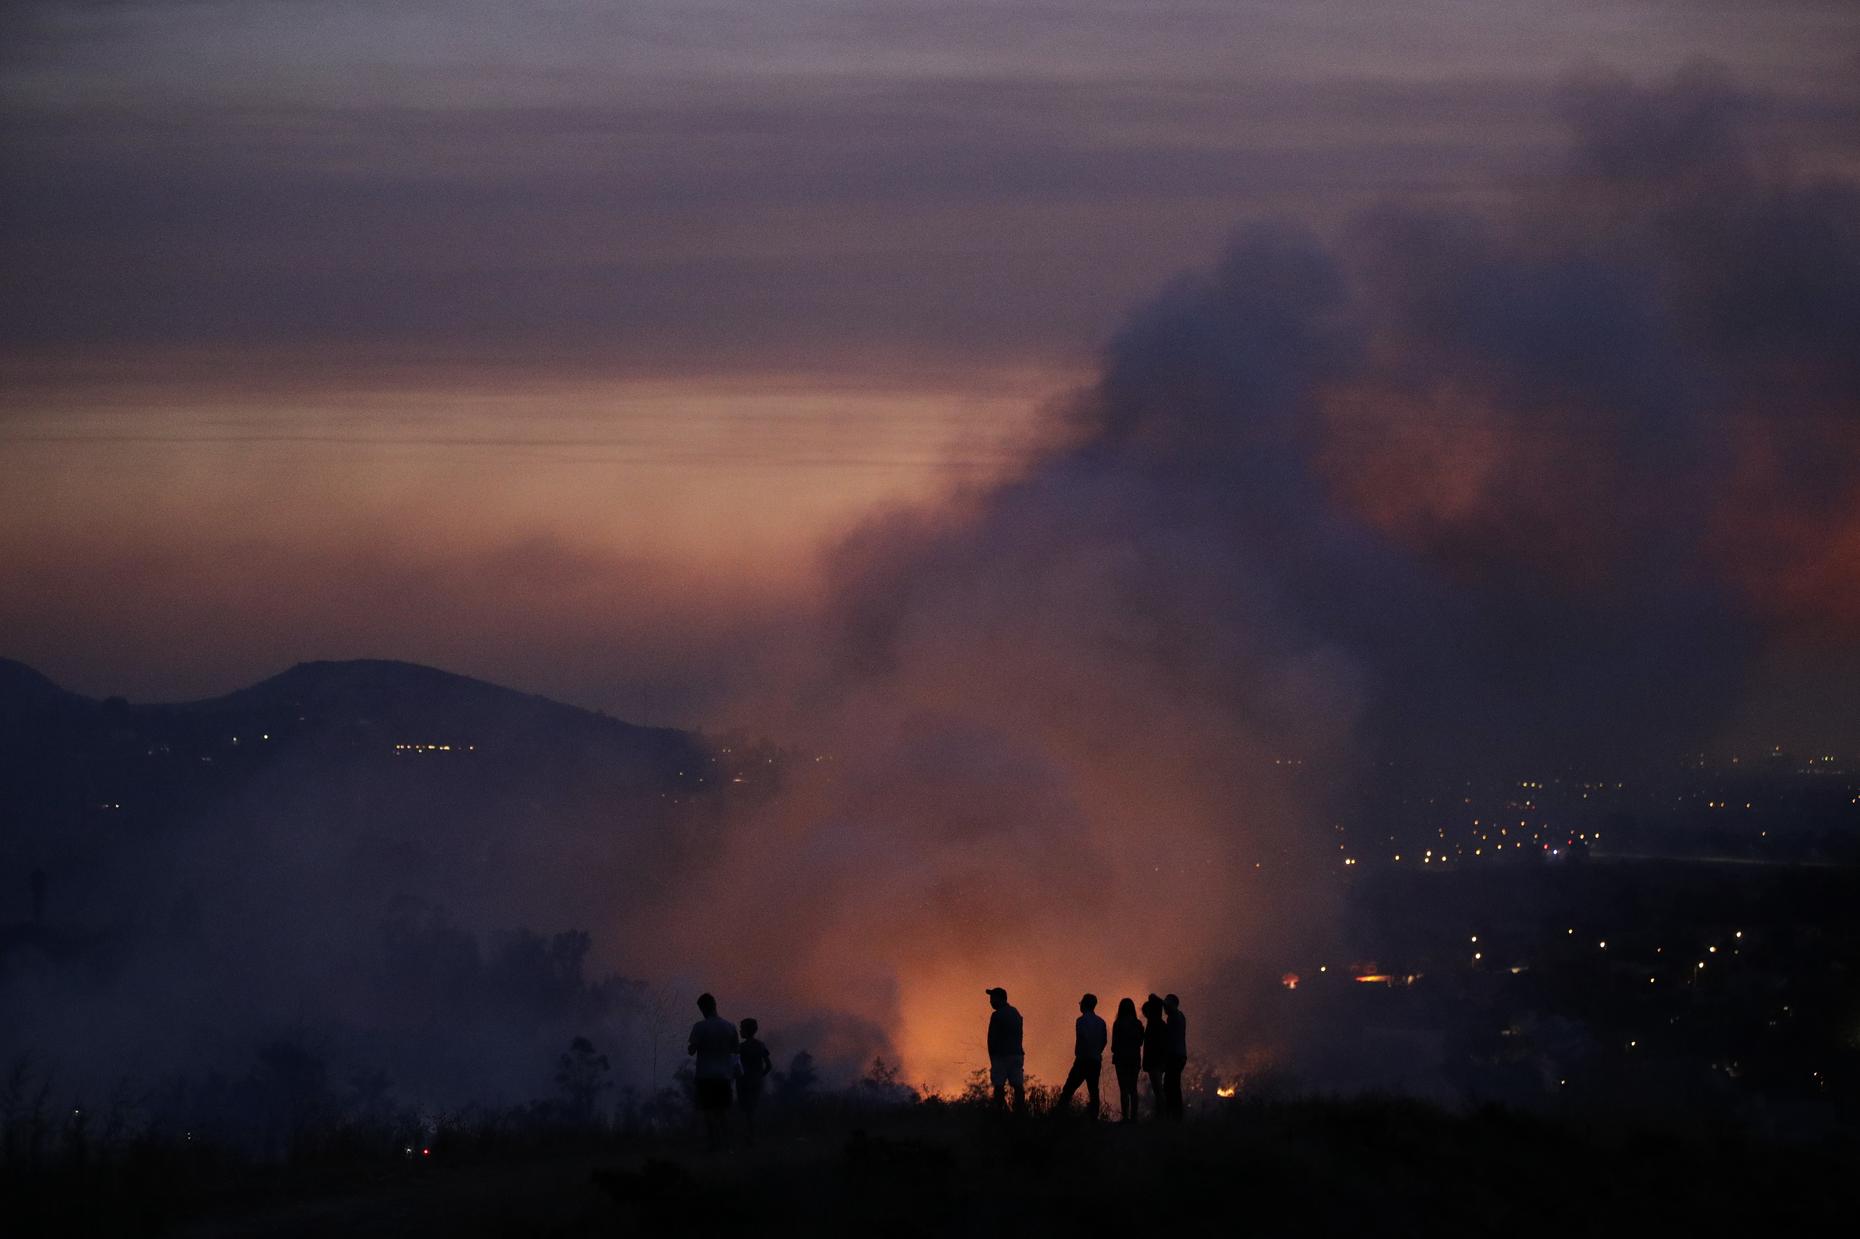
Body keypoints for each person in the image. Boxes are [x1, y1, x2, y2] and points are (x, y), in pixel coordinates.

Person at [687, 992, 739, 1150]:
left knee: (708, 1111)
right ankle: (727, 1144)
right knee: (723, 1112)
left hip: (705, 1075)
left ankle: (714, 1144)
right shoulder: (730, 1026)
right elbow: (735, 1050)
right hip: (724, 1075)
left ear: (702, 1008)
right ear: (715, 1005)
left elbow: (691, 1050)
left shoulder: (700, 1027)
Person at [1057, 993, 1108, 1119]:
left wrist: (1080, 1052)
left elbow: (1082, 1038)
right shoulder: (1101, 1022)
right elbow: (1104, 1041)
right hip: (1095, 1060)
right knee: (1093, 1090)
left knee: (1069, 1088)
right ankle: (1094, 1117)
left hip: (1083, 1059)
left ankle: (1059, 1113)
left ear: (1084, 1005)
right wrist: (1097, 1051)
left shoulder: (1080, 1021)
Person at [985, 986, 1026, 1115]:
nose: (991, 1001)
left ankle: (999, 1113)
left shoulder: (997, 1015)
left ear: (1000, 998)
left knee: (999, 1086)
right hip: (1016, 1055)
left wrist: (993, 1056)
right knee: (1018, 1086)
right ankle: (1020, 1113)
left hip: (1001, 1056)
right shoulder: (1015, 1013)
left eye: (993, 998)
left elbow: (991, 1039)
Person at [736, 1017, 773, 1147]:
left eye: (741, 1028)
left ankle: (749, 1138)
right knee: (753, 1110)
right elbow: (769, 1065)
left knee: (746, 1111)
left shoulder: (741, 1048)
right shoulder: (761, 1045)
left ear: (746, 1030)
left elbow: (736, 1065)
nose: (740, 1031)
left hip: (744, 1082)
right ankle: (753, 1137)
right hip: (756, 1081)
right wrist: (760, 1076)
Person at [1110, 997, 1144, 1124]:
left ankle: (1125, 1118)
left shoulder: (1117, 1024)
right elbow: (1140, 1042)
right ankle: (1134, 1117)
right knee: (1133, 1088)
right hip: (1134, 1059)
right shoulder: (1138, 1024)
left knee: (1123, 1089)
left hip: (1121, 1059)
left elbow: (1114, 1045)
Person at [1140, 994, 1168, 1121]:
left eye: (1146, 1013)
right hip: (1157, 1061)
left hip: (1155, 1061)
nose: (1145, 1015)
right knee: (1158, 1090)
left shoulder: (1155, 1025)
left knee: (1158, 1090)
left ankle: (1162, 1116)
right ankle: (1161, 1115)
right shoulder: (1158, 1023)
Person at [1162, 993, 1188, 1120]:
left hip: (1175, 1056)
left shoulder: (1174, 1017)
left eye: (1166, 1004)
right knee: (1172, 1085)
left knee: (1170, 1085)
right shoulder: (1180, 1016)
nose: (1164, 1008)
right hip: (1180, 1055)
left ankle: (1175, 1115)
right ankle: (1175, 1115)